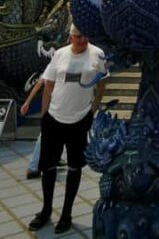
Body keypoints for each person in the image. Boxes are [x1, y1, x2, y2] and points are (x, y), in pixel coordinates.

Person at [28, 24, 106, 234]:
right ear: (71, 37)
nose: (83, 40)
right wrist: (44, 115)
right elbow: (49, 84)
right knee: (48, 167)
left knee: (74, 167)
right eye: (78, 36)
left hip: (80, 119)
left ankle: (67, 213)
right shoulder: (60, 54)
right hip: (54, 117)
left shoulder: (97, 55)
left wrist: (92, 111)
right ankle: (45, 211)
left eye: (85, 36)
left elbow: (101, 86)